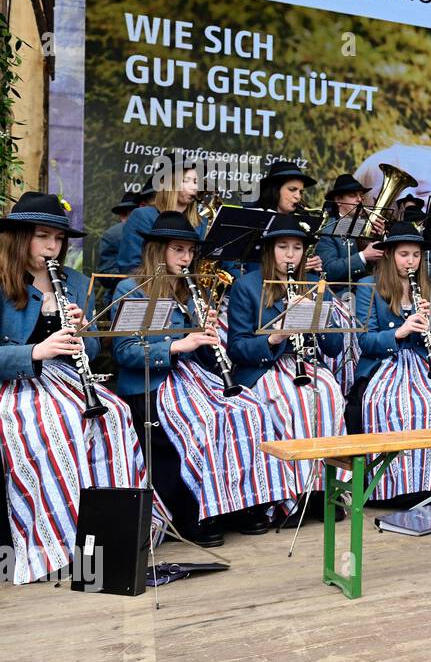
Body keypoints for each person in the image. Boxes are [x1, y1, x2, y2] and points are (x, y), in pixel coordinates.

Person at [0, 193, 164, 584]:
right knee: (58, 425)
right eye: (43, 237)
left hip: (69, 379)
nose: (53, 247)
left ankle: (113, 538)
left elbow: (89, 351)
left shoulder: (73, 281)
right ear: (19, 237)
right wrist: (35, 350)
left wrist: (84, 329)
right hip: (16, 385)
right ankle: (58, 543)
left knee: (116, 415)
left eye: (59, 239)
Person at [111, 211, 291, 546]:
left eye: (191, 251)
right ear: (158, 251)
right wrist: (178, 344)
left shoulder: (187, 291)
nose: (187, 258)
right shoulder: (131, 289)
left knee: (249, 409)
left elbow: (204, 356)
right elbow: (126, 353)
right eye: (178, 250)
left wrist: (208, 337)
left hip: (192, 378)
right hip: (154, 383)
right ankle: (193, 512)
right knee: (204, 421)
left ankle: (239, 505)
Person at [226, 214, 346, 510]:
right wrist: (274, 337)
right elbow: (237, 349)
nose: (290, 254)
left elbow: (334, 347)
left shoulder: (312, 284)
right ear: (270, 250)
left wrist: (317, 313)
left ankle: (323, 491)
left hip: (306, 365)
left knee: (329, 395)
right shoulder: (247, 286)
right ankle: (291, 498)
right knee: (290, 403)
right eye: (283, 247)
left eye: (296, 247)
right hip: (266, 368)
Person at [350, 222, 431, 503]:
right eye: (403, 254)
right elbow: (365, 342)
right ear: (389, 255)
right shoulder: (369, 287)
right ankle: (391, 490)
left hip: (423, 364)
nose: (410, 261)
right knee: (395, 406)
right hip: (384, 365)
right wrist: (399, 332)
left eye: (415, 255)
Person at [119, 160, 201, 273]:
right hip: (150, 288)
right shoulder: (143, 216)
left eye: (196, 181)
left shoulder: (201, 222)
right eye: (185, 181)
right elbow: (130, 266)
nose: (194, 187)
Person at [316, 173, 386, 289]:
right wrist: (363, 256)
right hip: (340, 296)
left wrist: (381, 237)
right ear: (338, 200)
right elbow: (328, 270)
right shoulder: (327, 229)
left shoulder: (367, 225)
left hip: (369, 292)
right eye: (353, 195)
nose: (359, 199)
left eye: (361, 196)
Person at [254, 161, 323, 274]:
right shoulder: (253, 216)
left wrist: (312, 266)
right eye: (292, 189)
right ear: (275, 190)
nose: (298, 197)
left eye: (301, 192)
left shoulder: (303, 221)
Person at [96, 192, 137, 274]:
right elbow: (107, 272)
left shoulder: (157, 232)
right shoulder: (113, 235)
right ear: (123, 216)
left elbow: (106, 271)